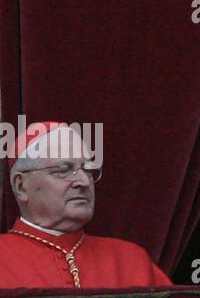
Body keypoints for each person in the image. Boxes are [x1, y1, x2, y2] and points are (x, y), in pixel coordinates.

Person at [1, 121, 170, 289]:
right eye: (63, 170)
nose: (83, 181)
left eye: (87, 169)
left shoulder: (132, 260)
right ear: (21, 186)